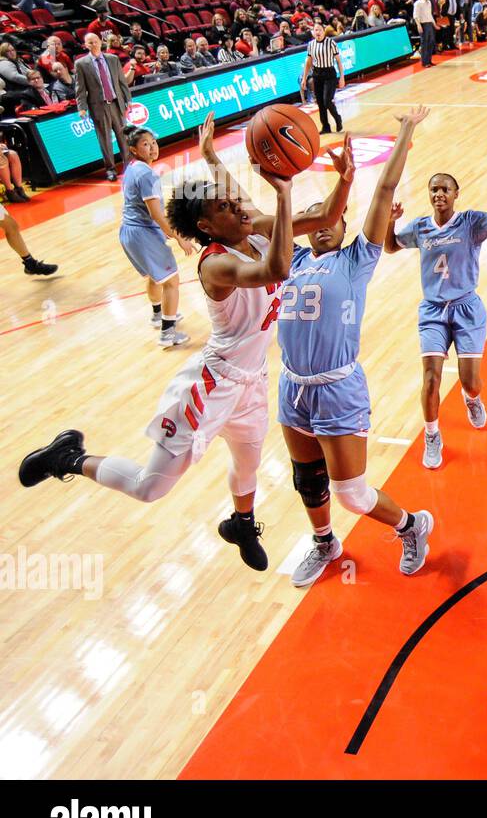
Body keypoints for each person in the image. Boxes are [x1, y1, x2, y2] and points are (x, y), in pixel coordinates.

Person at [18, 113, 354, 572]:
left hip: (253, 379)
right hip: (212, 383)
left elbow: (325, 215)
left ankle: (241, 522)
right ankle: (70, 457)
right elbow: (276, 270)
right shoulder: (215, 265)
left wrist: (346, 178)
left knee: (247, 463)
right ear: (207, 227)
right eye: (225, 207)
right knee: (149, 487)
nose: (237, 205)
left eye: (234, 200)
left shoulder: (250, 225)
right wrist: (282, 188)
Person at [280, 109, 438, 586]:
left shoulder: (356, 260)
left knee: (351, 493)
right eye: (316, 221)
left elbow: (385, 191)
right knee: (307, 481)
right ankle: (326, 544)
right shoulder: (289, 259)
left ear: (345, 224)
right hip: (292, 387)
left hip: (337, 387)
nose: (324, 227)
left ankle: (413, 526)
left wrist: (406, 131)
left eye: (334, 219)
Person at [385, 143, 487, 470]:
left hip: (466, 309)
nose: (438, 194)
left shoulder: (472, 222)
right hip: (432, 311)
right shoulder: (420, 228)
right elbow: (390, 246)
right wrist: (391, 222)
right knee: (431, 378)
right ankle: (433, 436)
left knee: (470, 381)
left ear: (456, 193)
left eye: (444, 189)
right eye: (433, 189)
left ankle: (472, 399)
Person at [118, 126, 196, 346]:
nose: (152, 147)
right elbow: (156, 214)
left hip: (129, 232)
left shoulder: (132, 167)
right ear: (133, 149)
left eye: (153, 142)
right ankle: (168, 333)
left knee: (156, 276)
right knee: (172, 281)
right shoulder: (146, 174)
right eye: (145, 144)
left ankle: (156, 313)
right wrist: (180, 237)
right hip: (142, 233)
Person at [73, 31, 131, 181]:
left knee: (123, 136)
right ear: (85, 45)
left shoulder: (113, 59)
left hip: (116, 103)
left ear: (101, 41)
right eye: (90, 42)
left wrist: (128, 99)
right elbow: (80, 88)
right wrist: (82, 107)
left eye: (95, 41)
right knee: (104, 139)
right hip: (99, 106)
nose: (93, 44)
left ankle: (128, 164)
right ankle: (110, 169)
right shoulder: (81, 64)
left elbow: (121, 82)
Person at [301, 22, 345, 134]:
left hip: (329, 74)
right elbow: (308, 62)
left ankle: (337, 118)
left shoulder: (331, 42)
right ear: (313, 32)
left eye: (320, 30)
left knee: (327, 101)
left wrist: (342, 78)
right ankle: (326, 127)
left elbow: (339, 61)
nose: (318, 32)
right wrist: (304, 78)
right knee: (320, 102)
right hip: (317, 74)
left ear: (323, 31)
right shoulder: (311, 44)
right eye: (316, 30)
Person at [413, 0, 435, 67]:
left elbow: (430, 15)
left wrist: (434, 24)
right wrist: (418, 25)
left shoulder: (429, 2)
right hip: (423, 24)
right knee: (424, 43)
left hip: (429, 23)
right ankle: (424, 62)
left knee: (431, 42)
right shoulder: (417, 3)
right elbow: (415, 15)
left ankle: (429, 60)